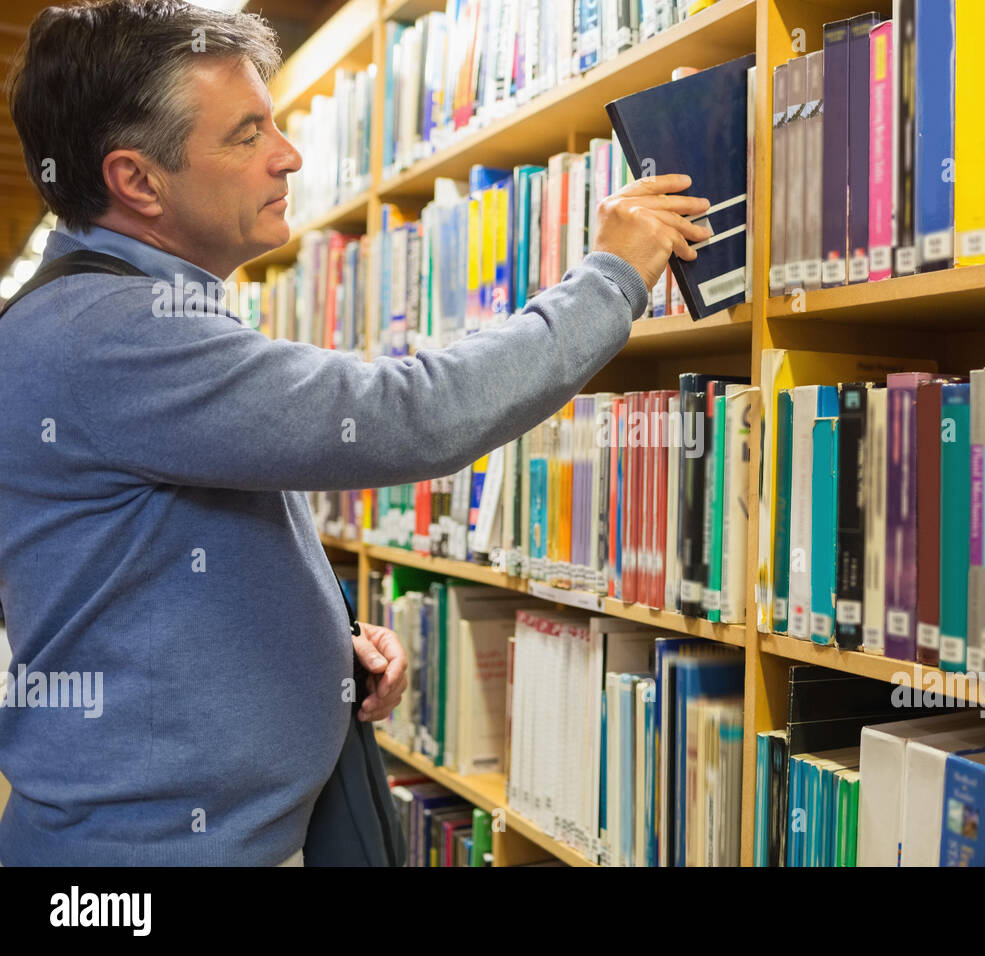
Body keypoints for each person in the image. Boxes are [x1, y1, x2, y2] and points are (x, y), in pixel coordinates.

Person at [0, 0, 708, 866]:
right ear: (139, 181)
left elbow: (158, 554)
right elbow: (405, 414)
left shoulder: (123, 318)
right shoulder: (109, 334)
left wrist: (318, 645)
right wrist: (608, 281)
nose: (287, 155)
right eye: (246, 134)